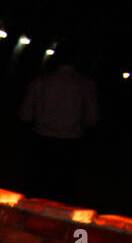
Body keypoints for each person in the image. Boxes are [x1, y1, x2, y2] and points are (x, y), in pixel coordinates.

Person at [17, 45, 99, 204]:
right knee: (61, 194)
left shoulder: (41, 81)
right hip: (70, 145)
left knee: (36, 190)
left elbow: (25, 115)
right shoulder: (85, 85)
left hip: (42, 142)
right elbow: (92, 119)